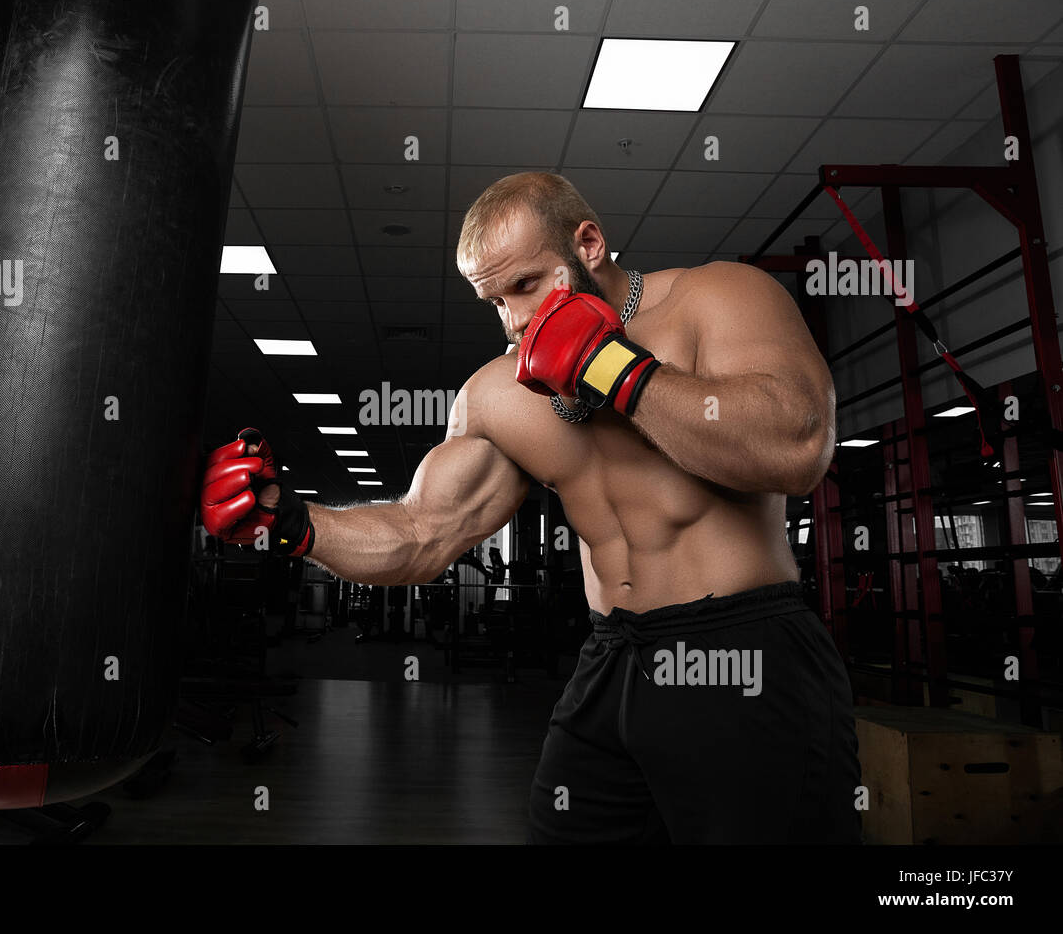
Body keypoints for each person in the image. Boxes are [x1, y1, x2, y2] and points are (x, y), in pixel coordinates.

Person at [202, 171, 861, 843]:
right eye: (493, 301)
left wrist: (609, 367)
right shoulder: (498, 394)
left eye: (525, 285)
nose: (514, 320)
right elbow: (421, 532)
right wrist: (292, 524)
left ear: (590, 243)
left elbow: (798, 444)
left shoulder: (718, 298)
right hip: (610, 660)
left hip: (742, 652)